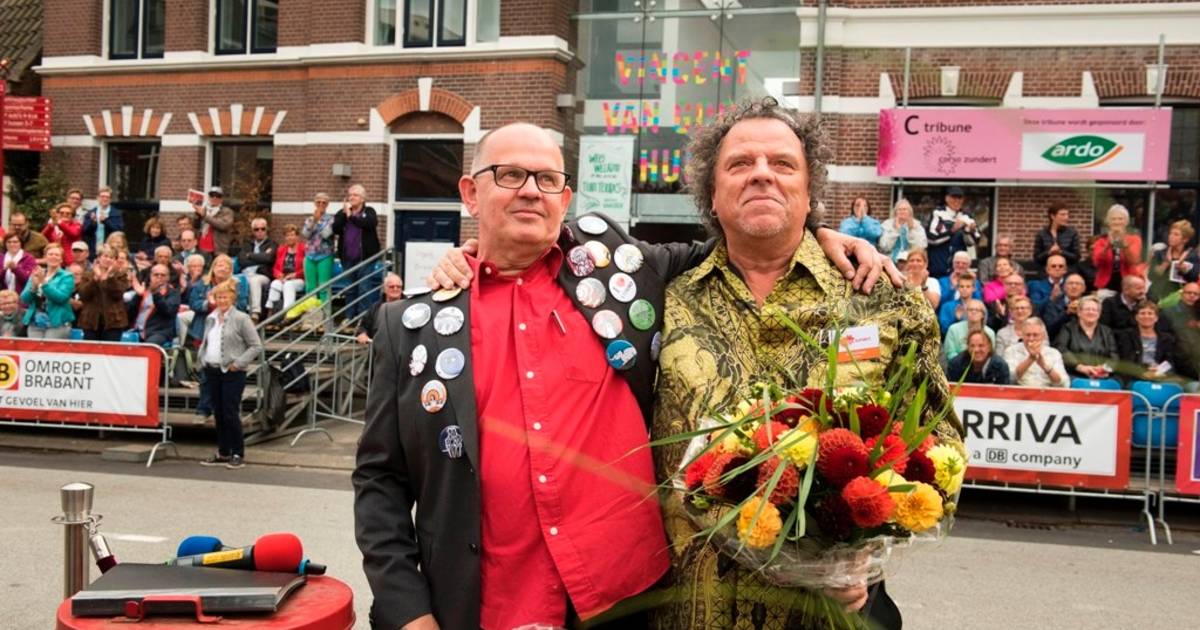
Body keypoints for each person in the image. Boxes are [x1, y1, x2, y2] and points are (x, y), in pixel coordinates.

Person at [356, 119, 897, 630]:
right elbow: (380, 478)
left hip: (620, 605)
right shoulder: (410, 326)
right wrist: (406, 609)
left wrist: (825, 238)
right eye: (509, 175)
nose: (530, 191)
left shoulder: (621, 272)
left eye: (547, 179)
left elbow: (745, 238)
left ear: (565, 200)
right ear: (471, 193)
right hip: (477, 607)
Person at [649, 100, 961, 630]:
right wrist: (463, 262)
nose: (762, 174)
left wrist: (862, 539)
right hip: (690, 610)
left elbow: (944, 451)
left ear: (811, 189)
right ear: (711, 194)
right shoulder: (658, 298)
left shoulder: (886, 301)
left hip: (834, 613)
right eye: (740, 163)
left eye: (783, 163)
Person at [197, 279, 262, 470]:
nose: (222, 300)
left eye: (225, 297)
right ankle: (223, 451)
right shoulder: (211, 317)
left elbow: (256, 345)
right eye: (219, 297)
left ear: (233, 298)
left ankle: (237, 452)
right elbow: (208, 341)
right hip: (212, 369)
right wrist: (202, 359)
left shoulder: (241, 318)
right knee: (218, 412)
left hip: (232, 372)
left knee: (230, 412)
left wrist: (239, 363)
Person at [332, 184, 381, 320]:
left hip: (365, 259)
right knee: (350, 289)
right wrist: (344, 214)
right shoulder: (342, 213)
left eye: (355, 195)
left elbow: (369, 223)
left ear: (362, 198)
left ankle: (363, 320)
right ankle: (349, 319)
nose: (351, 197)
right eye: (350, 195)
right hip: (348, 259)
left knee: (364, 289)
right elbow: (335, 228)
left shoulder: (369, 211)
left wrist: (351, 217)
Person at [1055, 295, 1119, 379]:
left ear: (1099, 314)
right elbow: (1061, 349)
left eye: (1094, 310)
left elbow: (1114, 355)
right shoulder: (1068, 328)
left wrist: (1104, 369)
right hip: (1074, 375)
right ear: (1079, 312)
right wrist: (1080, 367)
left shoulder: (1107, 331)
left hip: (1102, 375)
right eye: (1087, 309)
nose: (1091, 312)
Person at [76, 244, 131, 341]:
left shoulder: (121, 275)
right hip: (90, 321)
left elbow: (118, 294)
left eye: (111, 257)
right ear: (98, 258)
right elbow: (83, 295)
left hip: (114, 321)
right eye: (105, 256)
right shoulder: (87, 275)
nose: (108, 260)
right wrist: (95, 280)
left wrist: (109, 279)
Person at [21, 244, 75, 339]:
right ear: (45, 257)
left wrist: (44, 283)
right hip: (35, 322)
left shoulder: (67, 277)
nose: (53, 257)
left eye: (57, 255)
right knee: (34, 352)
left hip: (57, 323)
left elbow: (61, 298)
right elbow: (24, 299)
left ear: (61, 259)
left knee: (51, 351)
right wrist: (33, 286)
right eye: (50, 254)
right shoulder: (37, 273)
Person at [1124, 301, 1186, 382]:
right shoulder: (1126, 335)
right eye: (1142, 313)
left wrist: (1159, 371)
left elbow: (1169, 361)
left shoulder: (1167, 338)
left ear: (1156, 318)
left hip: (1160, 375)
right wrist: (1143, 372)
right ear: (1136, 317)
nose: (1146, 316)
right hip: (1135, 377)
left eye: (1150, 313)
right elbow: (1126, 359)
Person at [1090, 204, 1144, 296]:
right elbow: (1096, 262)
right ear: (1108, 222)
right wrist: (1107, 246)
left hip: (1129, 284)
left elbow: (1134, 261)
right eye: (1113, 219)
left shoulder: (1134, 239)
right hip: (1106, 285)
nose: (1117, 222)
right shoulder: (1101, 241)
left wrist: (1125, 245)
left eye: (1120, 219)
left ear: (1126, 222)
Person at [926, 186, 980, 277]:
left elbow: (975, 242)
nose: (957, 201)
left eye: (960, 198)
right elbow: (931, 239)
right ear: (946, 198)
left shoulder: (967, 217)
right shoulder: (937, 214)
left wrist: (970, 231)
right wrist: (952, 230)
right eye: (954, 197)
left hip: (959, 270)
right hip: (938, 268)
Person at [1101, 274, 1151, 362]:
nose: (1143, 292)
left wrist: (1143, 306)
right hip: (1116, 344)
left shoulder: (1145, 303)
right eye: (1138, 288)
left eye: (1143, 288)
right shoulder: (1110, 303)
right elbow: (1105, 328)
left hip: (1139, 344)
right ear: (1126, 290)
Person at [1005, 317, 1068, 387]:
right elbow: (1009, 379)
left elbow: (1063, 384)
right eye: (1028, 335)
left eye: (1035, 335)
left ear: (1043, 336)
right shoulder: (1011, 351)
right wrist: (1030, 359)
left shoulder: (1054, 353)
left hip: (1047, 393)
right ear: (1022, 335)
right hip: (1019, 392)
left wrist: (1044, 366)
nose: (1031, 339)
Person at [236, 217, 278, 322]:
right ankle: (236, 311)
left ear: (266, 229)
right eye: (256, 229)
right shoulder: (247, 244)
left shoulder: (272, 244)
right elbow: (241, 261)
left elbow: (268, 258)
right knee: (233, 280)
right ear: (252, 231)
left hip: (262, 275)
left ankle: (255, 312)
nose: (260, 231)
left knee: (254, 281)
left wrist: (250, 255)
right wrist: (260, 257)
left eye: (262, 229)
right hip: (245, 274)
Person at [1148, 219, 1199, 302]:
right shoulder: (1160, 254)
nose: (1171, 236)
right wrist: (1166, 263)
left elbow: (1194, 278)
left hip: (1180, 298)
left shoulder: (1192, 255)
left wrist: (1184, 269)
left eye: (1176, 234)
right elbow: (1151, 276)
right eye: (1170, 233)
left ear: (1185, 239)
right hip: (1157, 295)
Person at [301, 193, 336, 307]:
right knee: (310, 287)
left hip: (325, 256)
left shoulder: (331, 219)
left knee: (323, 286)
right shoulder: (310, 219)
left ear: (327, 204)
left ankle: (325, 314)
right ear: (315, 203)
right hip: (310, 255)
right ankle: (311, 314)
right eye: (318, 202)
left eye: (324, 202)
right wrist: (313, 221)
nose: (321, 204)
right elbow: (305, 234)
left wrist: (319, 220)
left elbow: (326, 234)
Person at [266, 226, 306, 315]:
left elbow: (307, 268)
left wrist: (295, 275)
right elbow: (275, 268)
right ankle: (272, 312)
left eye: (292, 235)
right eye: (287, 235)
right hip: (283, 278)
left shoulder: (304, 249)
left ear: (297, 237)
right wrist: (279, 275)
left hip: (299, 280)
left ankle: (287, 313)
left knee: (288, 284)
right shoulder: (281, 249)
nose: (290, 238)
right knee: (274, 284)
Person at [356, 272, 402, 344]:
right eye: (391, 286)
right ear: (384, 288)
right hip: (379, 351)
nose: (395, 289)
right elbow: (363, 325)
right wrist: (362, 334)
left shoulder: (409, 307)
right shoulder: (375, 307)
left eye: (398, 286)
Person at [1033, 202, 1081, 270]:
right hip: (1045, 273)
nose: (1066, 217)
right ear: (1052, 216)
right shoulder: (1041, 234)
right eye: (1062, 215)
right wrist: (1049, 252)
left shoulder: (1072, 234)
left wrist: (1061, 252)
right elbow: (1037, 258)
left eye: (1067, 214)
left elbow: (1076, 257)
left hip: (1067, 272)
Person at [878, 198, 926, 263]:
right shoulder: (887, 224)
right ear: (895, 212)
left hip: (911, 262)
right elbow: (884, 246)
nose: (902, 212)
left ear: (910, 212)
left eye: (905, 209)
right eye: (899, 209)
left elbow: (920, 247)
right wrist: (896, 230)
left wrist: (911, 230)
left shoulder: (917, 226)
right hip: (890, 261)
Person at [1043, 272, 1089, 339]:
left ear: (1084, 288)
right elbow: (1049, 330)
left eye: (1078, 284)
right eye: (1070, 283)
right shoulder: (1052, 304)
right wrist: (1067, 313)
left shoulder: (1090, 305)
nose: (1074, 286)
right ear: (1064, 287)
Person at [177, 254, 209, 344]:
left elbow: (198, 299)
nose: (196, 268)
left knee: (180, 317)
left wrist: (193, 282)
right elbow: (178, 297)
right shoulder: (184, 278)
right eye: (193, 266)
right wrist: (182, 289)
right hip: (181, 306)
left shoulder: (205, 279)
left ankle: (181, 344)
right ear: (188, 267)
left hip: (195, 309)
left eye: (199, 266)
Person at [193, 186, 235, 255]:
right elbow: (196, 226)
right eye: (212, 195)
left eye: (218, 196)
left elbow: (223, 225)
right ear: (209, 197)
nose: (214, 198)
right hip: (201, 247)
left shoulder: (227, 211)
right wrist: (197, 214)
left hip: (217, 250)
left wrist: (205, 216)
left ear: (221, 199)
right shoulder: (204, 209)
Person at [81, 186, 123, 253]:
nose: (105, 199)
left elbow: (119, 231)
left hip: (110, 249)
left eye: (107, 197)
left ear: (110, 199)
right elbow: (84, 231)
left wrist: (106, 221)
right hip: (93, 248)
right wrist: (92, 223)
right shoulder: (90, 213)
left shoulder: (116, 213)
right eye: (102, 196)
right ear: (98, 198)